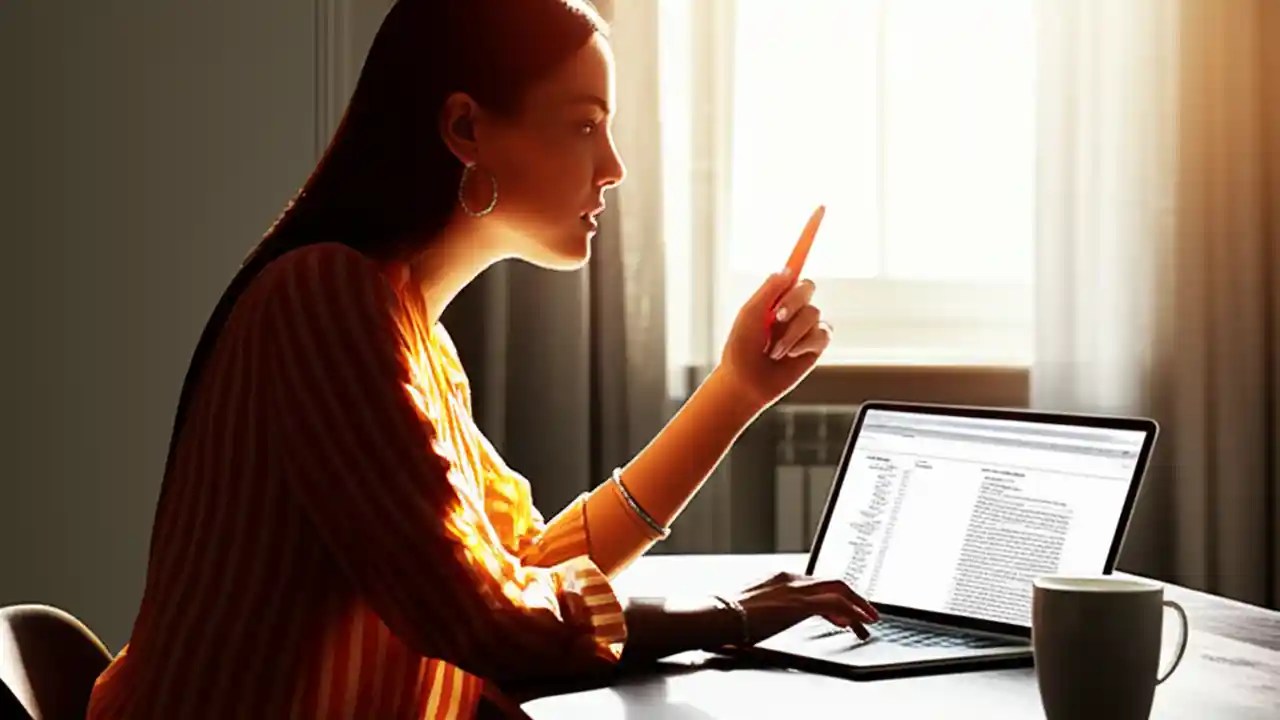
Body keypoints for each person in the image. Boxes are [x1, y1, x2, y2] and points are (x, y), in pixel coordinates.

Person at [85, 1, 878, 718]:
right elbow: (483, 619)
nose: (613, 167)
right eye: (584, 124)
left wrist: (736, 392)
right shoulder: (325, 299)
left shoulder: (412, 331)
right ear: (465, 129)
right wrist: (728, 615)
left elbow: (523, 566)